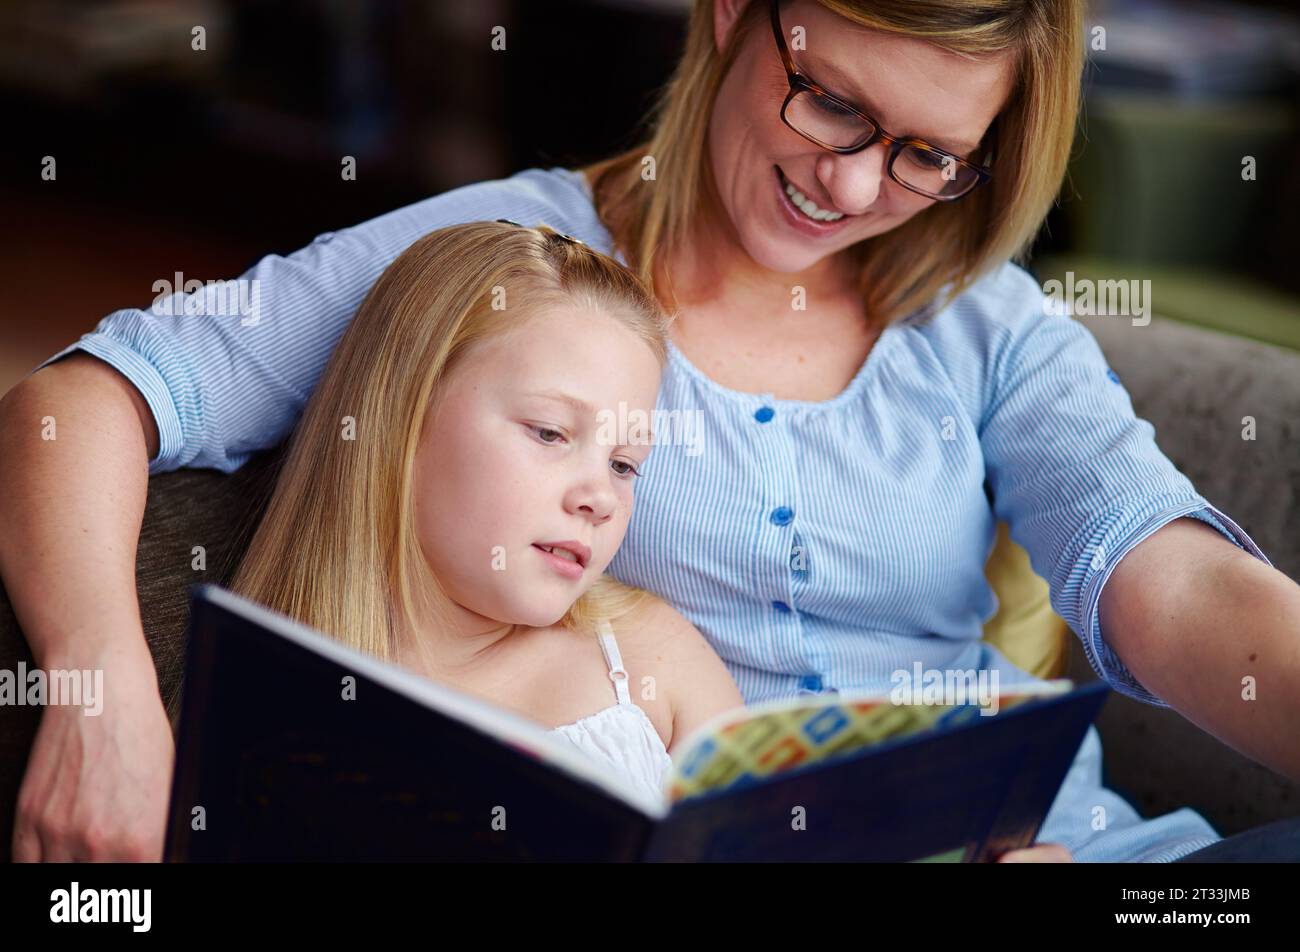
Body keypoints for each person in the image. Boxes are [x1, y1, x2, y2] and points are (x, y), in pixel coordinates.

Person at [4, 0, 1298, 863]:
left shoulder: (986, 324)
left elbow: (1172, 582)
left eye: (925, 154)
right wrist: (97, 692)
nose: (850, 186)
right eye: (833, 103)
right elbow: (80, 401)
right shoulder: (503, 268)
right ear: (734, 14)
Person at [227, 219, 744, 807]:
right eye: (550, 433)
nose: (599, 497)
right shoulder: (279, 697)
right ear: (403, 416)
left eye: (624, 464)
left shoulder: (655, 658)